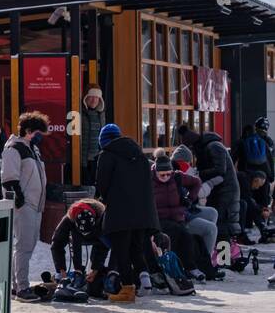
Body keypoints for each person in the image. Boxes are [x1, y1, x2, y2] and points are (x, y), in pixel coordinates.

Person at [95, 123, 159, 303]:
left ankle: (127, 289)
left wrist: (106, 200)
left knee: (121, 250)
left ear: (104, 141)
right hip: (142, 211)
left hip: (119, 211)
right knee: (137, 247)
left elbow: (102, 184)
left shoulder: (107, 155)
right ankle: (145, 280)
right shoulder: (139, 155)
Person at [149, 150, 224, 281]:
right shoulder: (148, 179)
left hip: (178, 217)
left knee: (190, 237)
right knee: (181, 233)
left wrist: (189, 198)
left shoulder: (176, 177)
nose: (166, 177)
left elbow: (197, 182)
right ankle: (189, 267)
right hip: (160, 219)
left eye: (168, 174)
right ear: (156, 172)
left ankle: (199, 266)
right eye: (162, 175)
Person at [2, 111, 49, 301]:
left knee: (27, 245)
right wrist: (19, 201)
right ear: (28, 131)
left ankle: (17, 285)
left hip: (36, 204)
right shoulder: (14, 148)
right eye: (38, 133)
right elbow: (9, 178)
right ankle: (22, 287)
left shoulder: (32, 148)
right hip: (24, 205)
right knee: (24, 246)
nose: (40, 137)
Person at [179, 122, 242, 242]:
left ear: (194, 143)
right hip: (219, 191)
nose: (193, 151)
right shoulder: (207, 147)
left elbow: (220, 170)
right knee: (219, 225)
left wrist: (199, 174)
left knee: (222, 227)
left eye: (192, 148)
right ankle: (222, 258)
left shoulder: (214, 146)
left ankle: (224, 260)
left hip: (226, 192)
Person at [50, 198, 112, 300]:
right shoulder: (68, 221)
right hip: (75, 234)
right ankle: (78, 272)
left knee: (95, 288)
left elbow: (103, 246)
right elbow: (56, 245)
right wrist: (62, 272)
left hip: (97, 234)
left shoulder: (103, 219)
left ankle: (95, 279)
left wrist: (95, 270)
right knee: (73, 239)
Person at [80, 87, 105, 184]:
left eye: (97, 97)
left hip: (97, 158)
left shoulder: (101, 114)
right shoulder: (79, 113)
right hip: (81, 159)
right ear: (85, 98)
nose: (94, 100)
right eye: (91, 97)